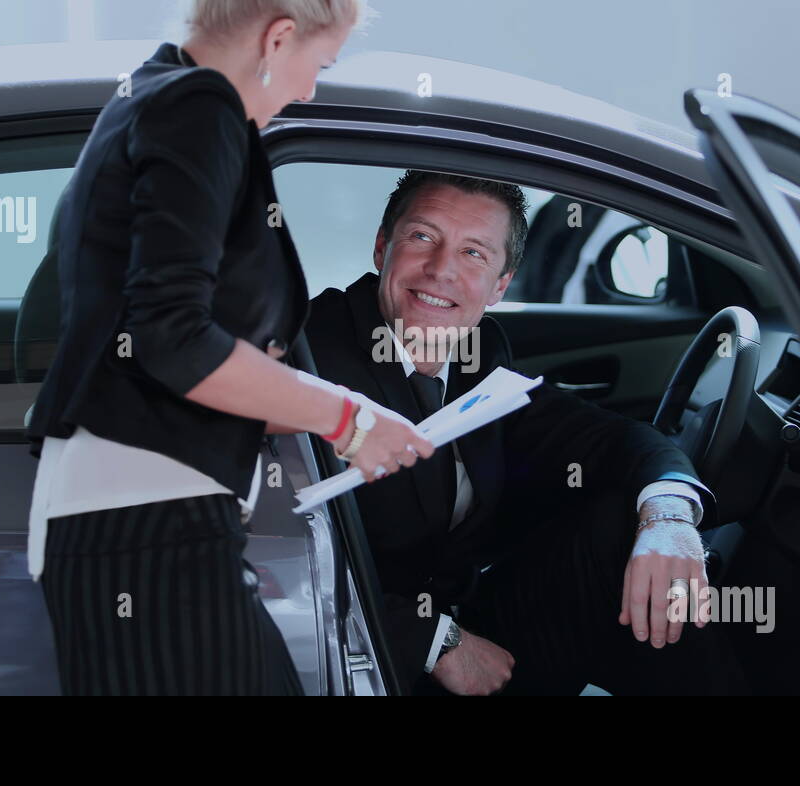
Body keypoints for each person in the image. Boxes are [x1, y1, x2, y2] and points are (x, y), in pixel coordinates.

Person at [24, 0, 434, 696]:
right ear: (277, 38)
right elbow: (175, 341)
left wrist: (340, 421)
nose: (308, 90)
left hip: (143, 521)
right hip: (151, 530)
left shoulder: (153, 98)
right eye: (319, 66)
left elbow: (170, 355)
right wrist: (349, 418)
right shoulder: (200, 106)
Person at [305, 171, 748, 695]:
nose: (441, 270)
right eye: (422, 237)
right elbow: (272, 551)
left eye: (473, 253)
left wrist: (670, 518)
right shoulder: (309, 351)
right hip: (366, 655)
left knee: (619, 527)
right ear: (383, 248)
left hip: (470, 608)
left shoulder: (478, 351)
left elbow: (606, 438)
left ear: (500, 285)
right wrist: (433, 641)